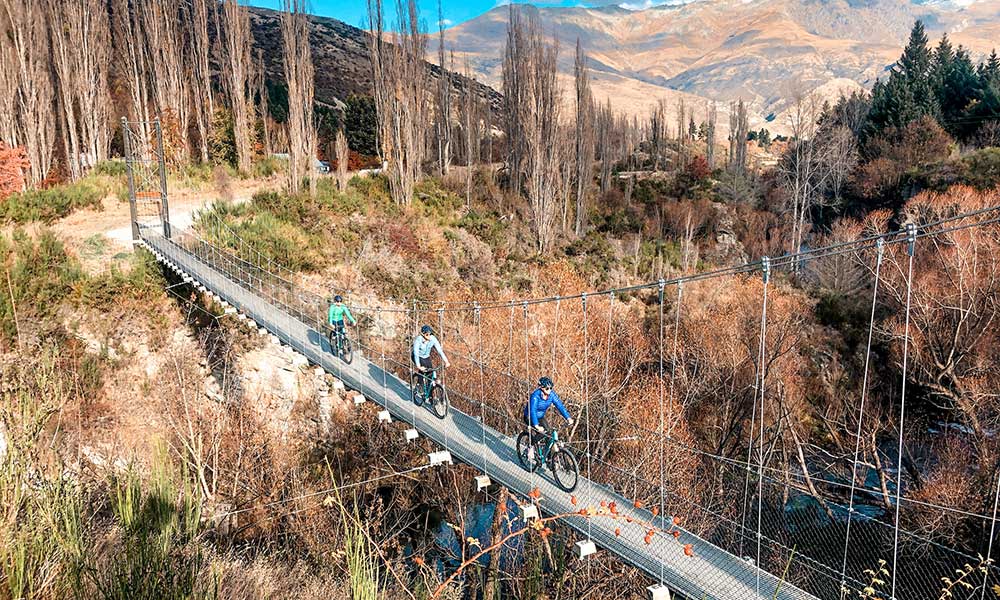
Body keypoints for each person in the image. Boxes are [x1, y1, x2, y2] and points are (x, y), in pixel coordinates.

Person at [524, 377, 574, 445]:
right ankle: (530, 447)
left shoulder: (551, 395)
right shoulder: (535, 396)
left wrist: (568, 418)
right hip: (529, 417)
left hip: (540, 417)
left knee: (549, 434)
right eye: (547, 388)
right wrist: (536, 426)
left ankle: (547, 454)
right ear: (541, 388)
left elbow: (560, 406)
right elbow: (533, 411)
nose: (549, 390)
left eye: (551, 388)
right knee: (542, 433)